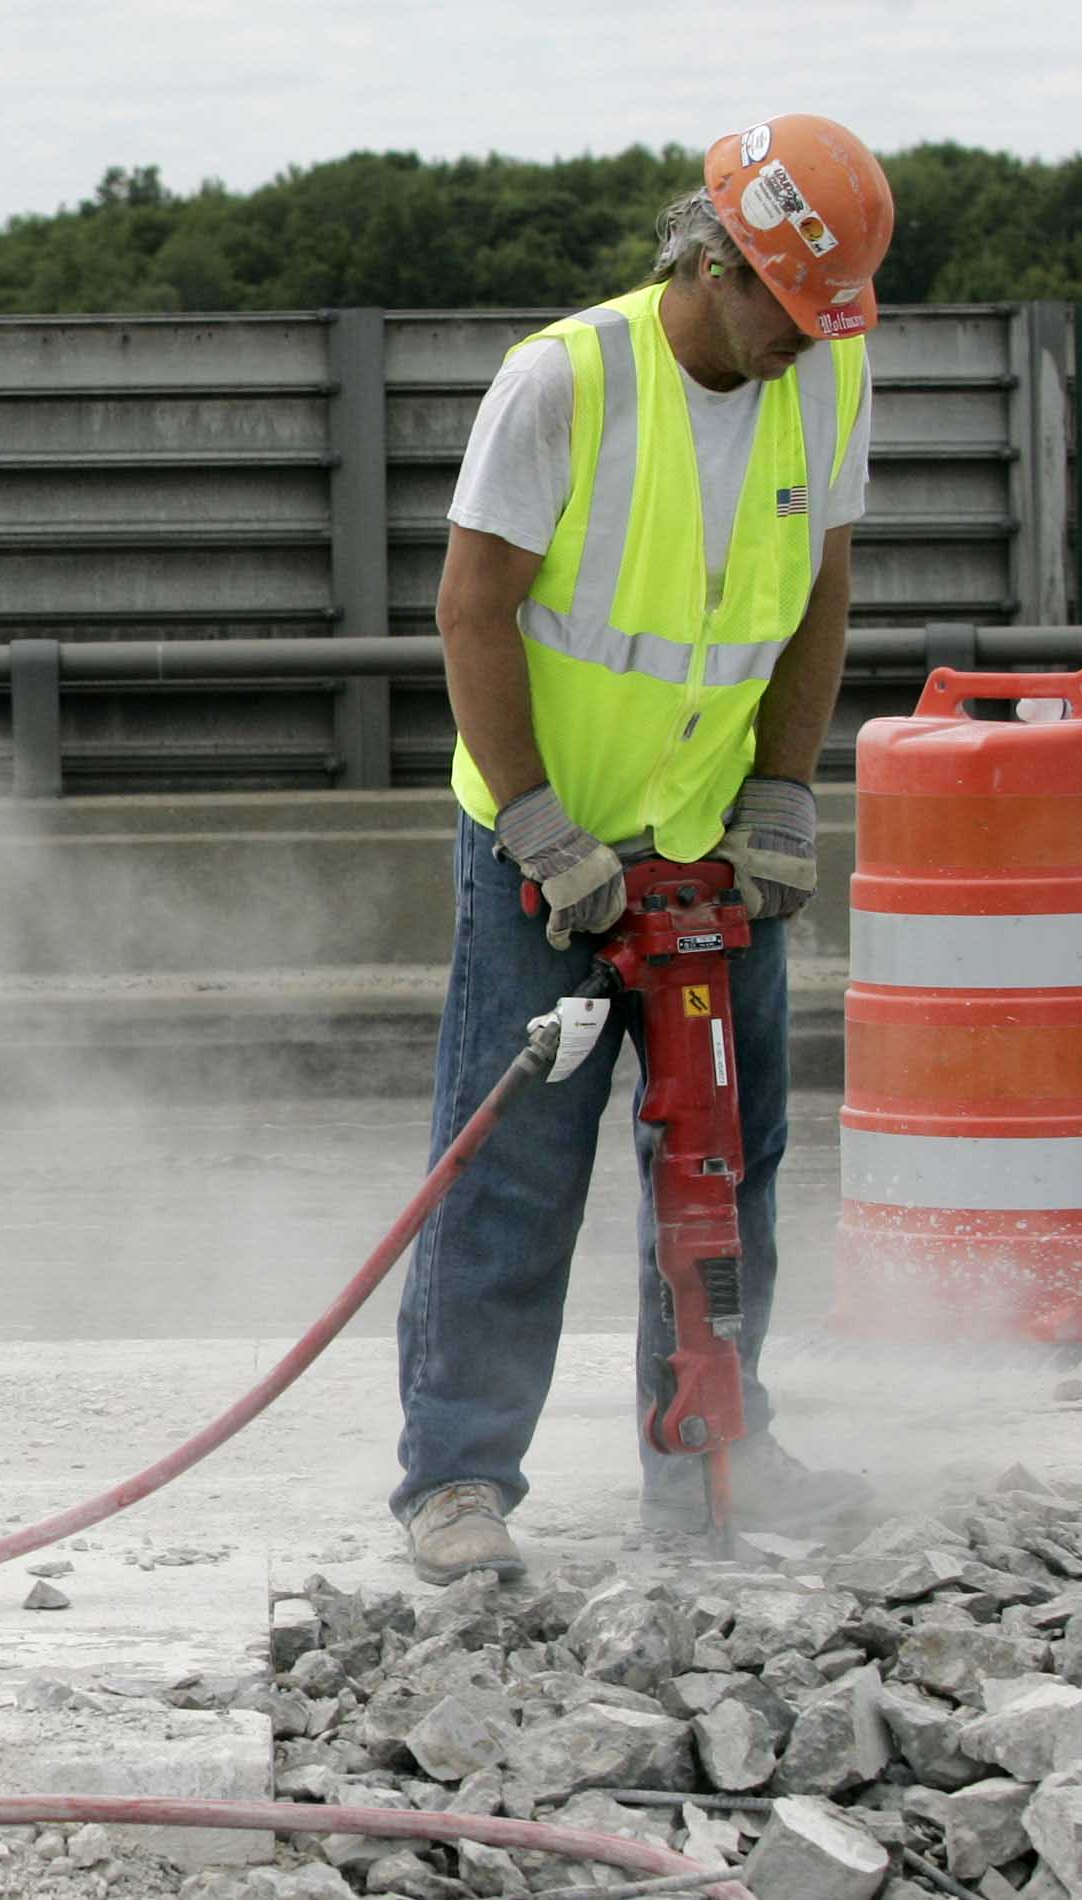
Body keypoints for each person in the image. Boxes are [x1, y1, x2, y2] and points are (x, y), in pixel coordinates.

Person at [393, 118, 895, 1584]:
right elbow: (471, 609)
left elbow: (818, 593)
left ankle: (712, 1453)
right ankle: (457, 1477)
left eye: (827, 320)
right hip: (546, 852)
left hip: (712, 845)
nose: (809, 344)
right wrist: (541, 823)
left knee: (727, 1165)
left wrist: (787, 794)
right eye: (789, 311)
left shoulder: (832, 372)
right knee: (513, 1170)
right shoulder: (564, 380)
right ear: (713, 259)